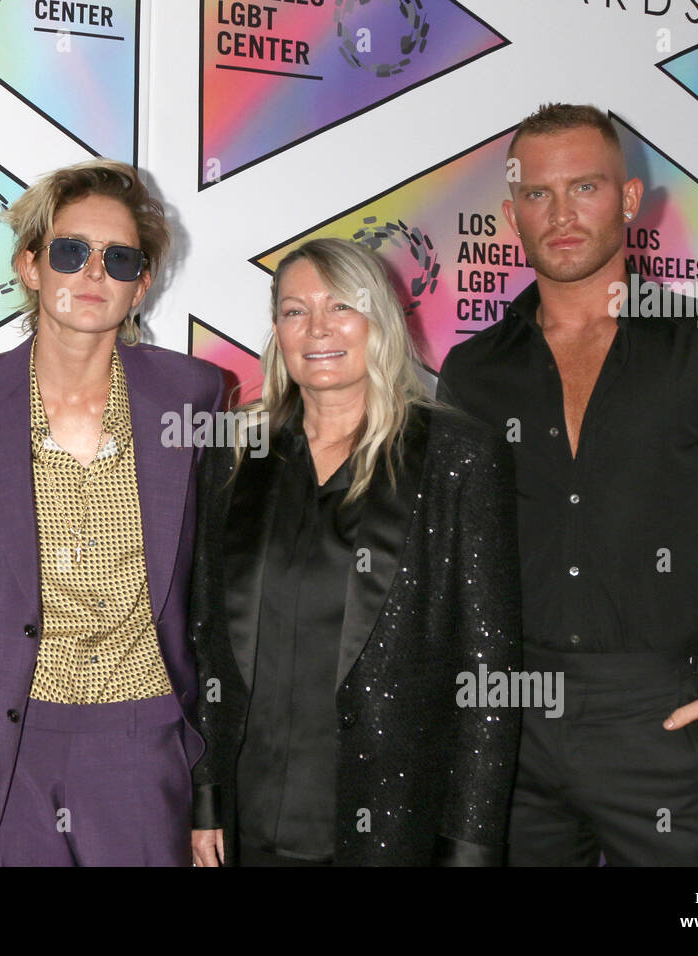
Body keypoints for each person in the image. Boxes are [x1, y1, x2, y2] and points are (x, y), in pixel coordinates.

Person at [435, 103, 698, 866]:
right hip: (507, 724)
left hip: (659, 717)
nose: (561, 214)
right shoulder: (474, 372)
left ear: (627, 199)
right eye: (538, 193)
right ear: (513, 214)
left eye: (584, 187)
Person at [189, 237, 522, 867]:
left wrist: (470, 849)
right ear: (277, 330)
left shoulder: (458, 458)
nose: (317, 328)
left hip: (391, 829)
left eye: (341, 305)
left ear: (380, 319)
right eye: (295, 311)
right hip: (248, 821)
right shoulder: (234, 455)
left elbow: (488, 674)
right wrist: (206, 796)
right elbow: (205, 636)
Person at [0, 159, 224, 866]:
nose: (94, 273)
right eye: (70, 251)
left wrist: (209, 787)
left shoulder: (193, 397)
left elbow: (217, 593)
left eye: (120, 259)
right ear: (29, 266)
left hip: (142, 743)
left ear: (141, 285)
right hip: (3, 749)